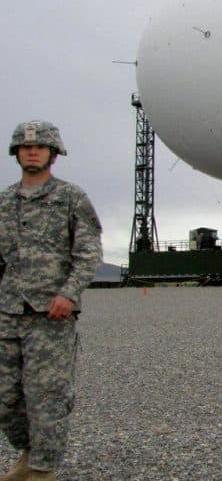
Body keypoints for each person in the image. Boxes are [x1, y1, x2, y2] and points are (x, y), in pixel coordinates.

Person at [0, 121, 103, 480]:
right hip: (8, 313)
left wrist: (68, 293)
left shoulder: (71, 198)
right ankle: (29, 455)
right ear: (16, 153)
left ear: (53, 154)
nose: (32, 151)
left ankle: (42, 470)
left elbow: (88, 253)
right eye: (26, 147)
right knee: (5, 398)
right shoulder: (3, 202)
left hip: (52, 316)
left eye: (41, 147)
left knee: (48, 397)